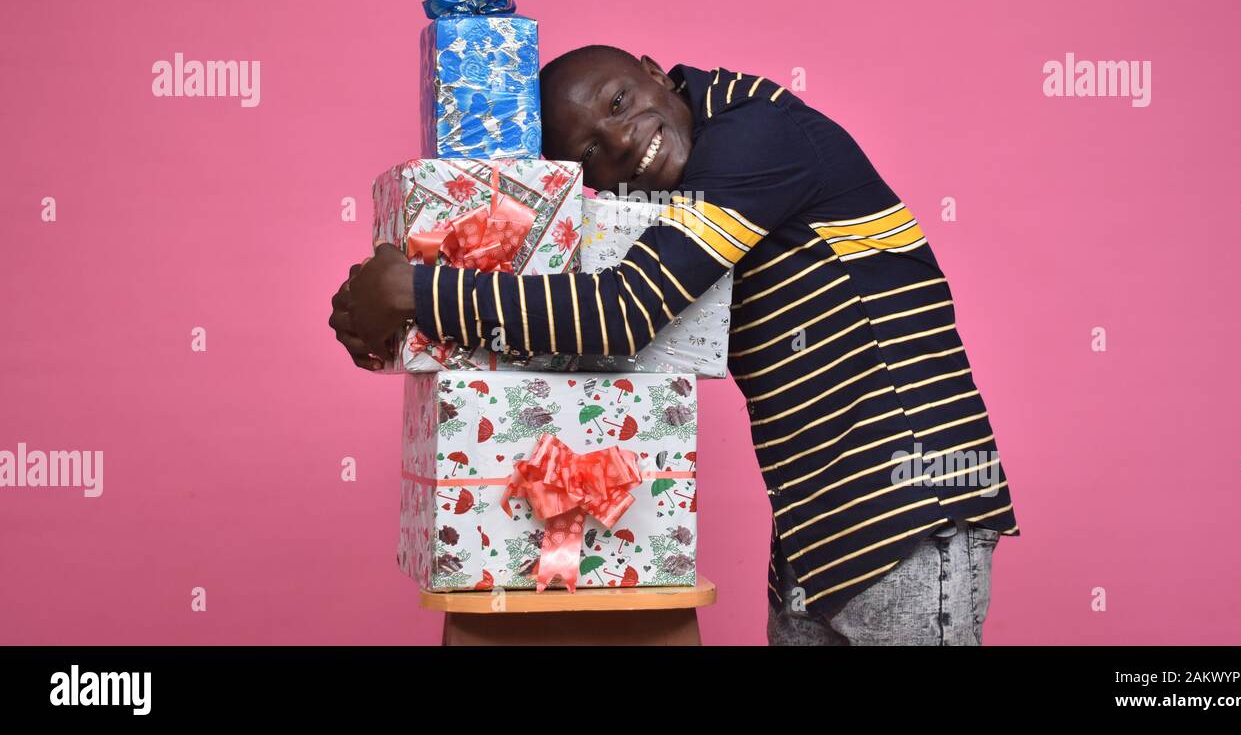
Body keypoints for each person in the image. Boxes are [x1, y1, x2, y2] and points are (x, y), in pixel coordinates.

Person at [330, 45, 1019, 645]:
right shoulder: (687, 205)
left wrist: (414, 291)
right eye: (590, 152)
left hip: (905, 505)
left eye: (620, 101)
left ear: (658, 74)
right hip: (816, 529)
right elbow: (594, 340)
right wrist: (403, 332)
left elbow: (622, 313)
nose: (623, 140)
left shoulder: (758, 137)